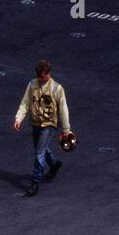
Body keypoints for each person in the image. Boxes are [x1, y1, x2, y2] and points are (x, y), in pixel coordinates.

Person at [13, 59, 73, 196]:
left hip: (48, 125)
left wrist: (66, 130)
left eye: (43, 76)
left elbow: (63, 109)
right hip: (35, 122)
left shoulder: (57, 89)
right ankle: (54, 164)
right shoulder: (32, 84)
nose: (40, 79)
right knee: (41, 148)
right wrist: (19, 118)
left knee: (39, 152)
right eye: (38, 76)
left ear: (48, 74)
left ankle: (35, 182)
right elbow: (26, 102)